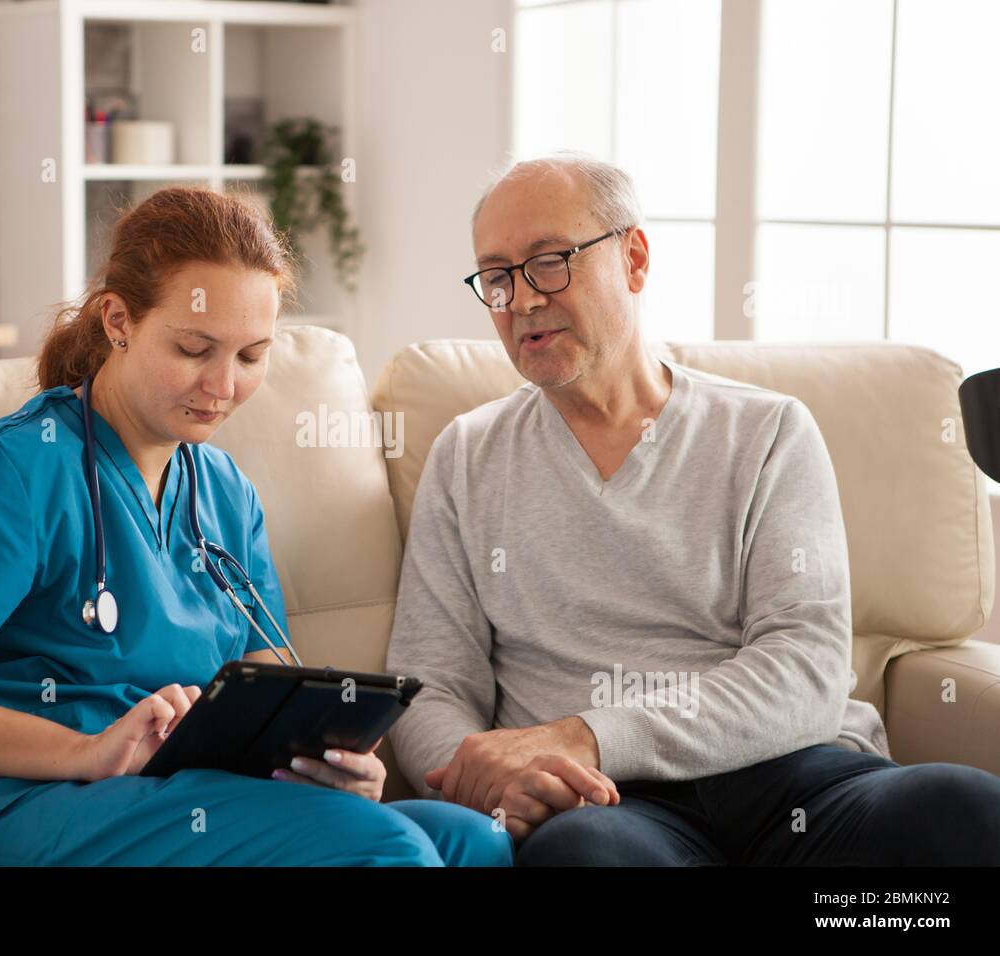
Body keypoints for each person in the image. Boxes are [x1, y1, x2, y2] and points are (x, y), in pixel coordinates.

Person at [0, 186, 512, 867]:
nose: (223, 385)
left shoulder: (224, 492)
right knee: (388, 846)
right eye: (194, 349)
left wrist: (329, 766)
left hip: (189, 798)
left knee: (469, 839)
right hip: (32, 804)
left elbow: (270, 684)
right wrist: (83, 752)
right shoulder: (16, 469)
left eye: (250, 356)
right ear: (118, 320)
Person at [386, 150, 1000, 865]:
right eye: (496, 276)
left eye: (549, 261)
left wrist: (588, 732)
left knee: (965, 808)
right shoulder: (467, 456)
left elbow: (804, 669)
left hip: (796, 778)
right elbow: (431, 684)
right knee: (586, 858)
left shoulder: (767, 430)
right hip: (609, 805)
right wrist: (485, 776)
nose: (520, 299)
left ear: (634, 259)